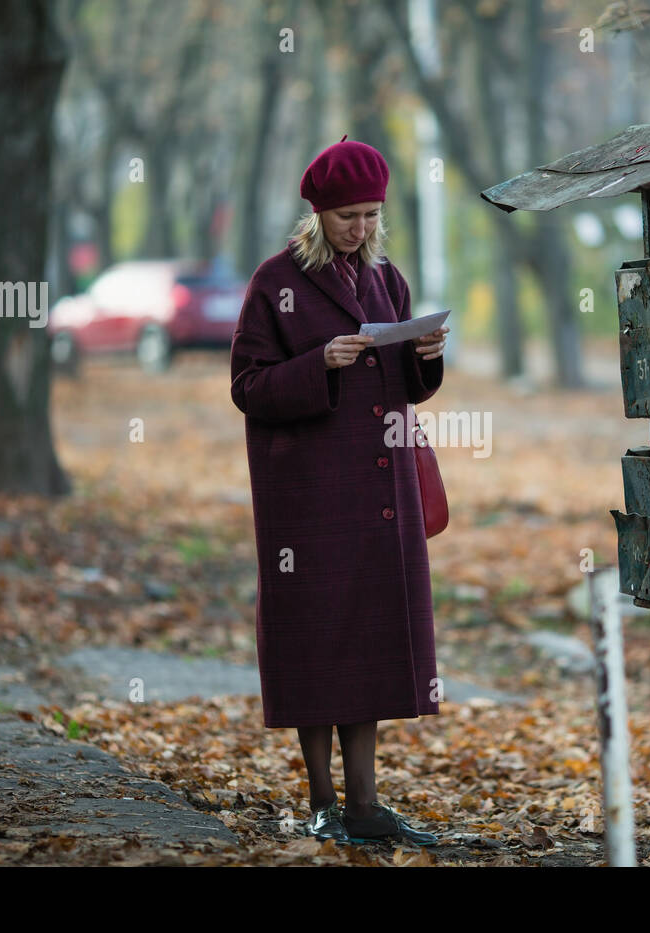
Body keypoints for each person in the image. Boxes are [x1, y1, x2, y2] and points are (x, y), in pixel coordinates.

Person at [229, 137, 450, 846]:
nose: (361, 229)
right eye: (349, 216)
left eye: (371, 215)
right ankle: (323, 800)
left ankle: (367, 805)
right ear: (318, 213)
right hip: (309, 496)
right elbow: (247, 386)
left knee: (373, 641)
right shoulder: (276, 282)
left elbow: (408, 389)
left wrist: (427, 358)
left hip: (380, 493)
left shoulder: (386, 278)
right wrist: (318, 362)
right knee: (315, 641)